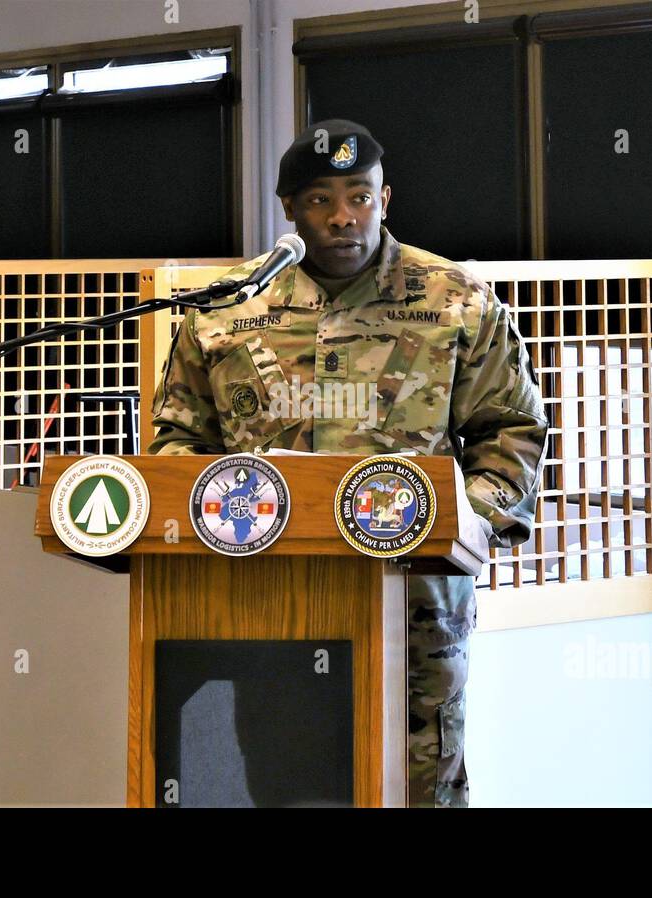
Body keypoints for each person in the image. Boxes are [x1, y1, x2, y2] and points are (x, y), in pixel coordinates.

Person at [148, 119, 548, 807]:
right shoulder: (225, 310)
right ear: (289, 212)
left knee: (419, 788)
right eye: (320, 200)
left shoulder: (456, 301)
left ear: (385, 199)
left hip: (414, 611)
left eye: (359, 196)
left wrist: (452, 529)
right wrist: (220, 523)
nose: (342, 217)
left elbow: (509, 435)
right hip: (272, 602)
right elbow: (178, 441)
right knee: (283, 785)